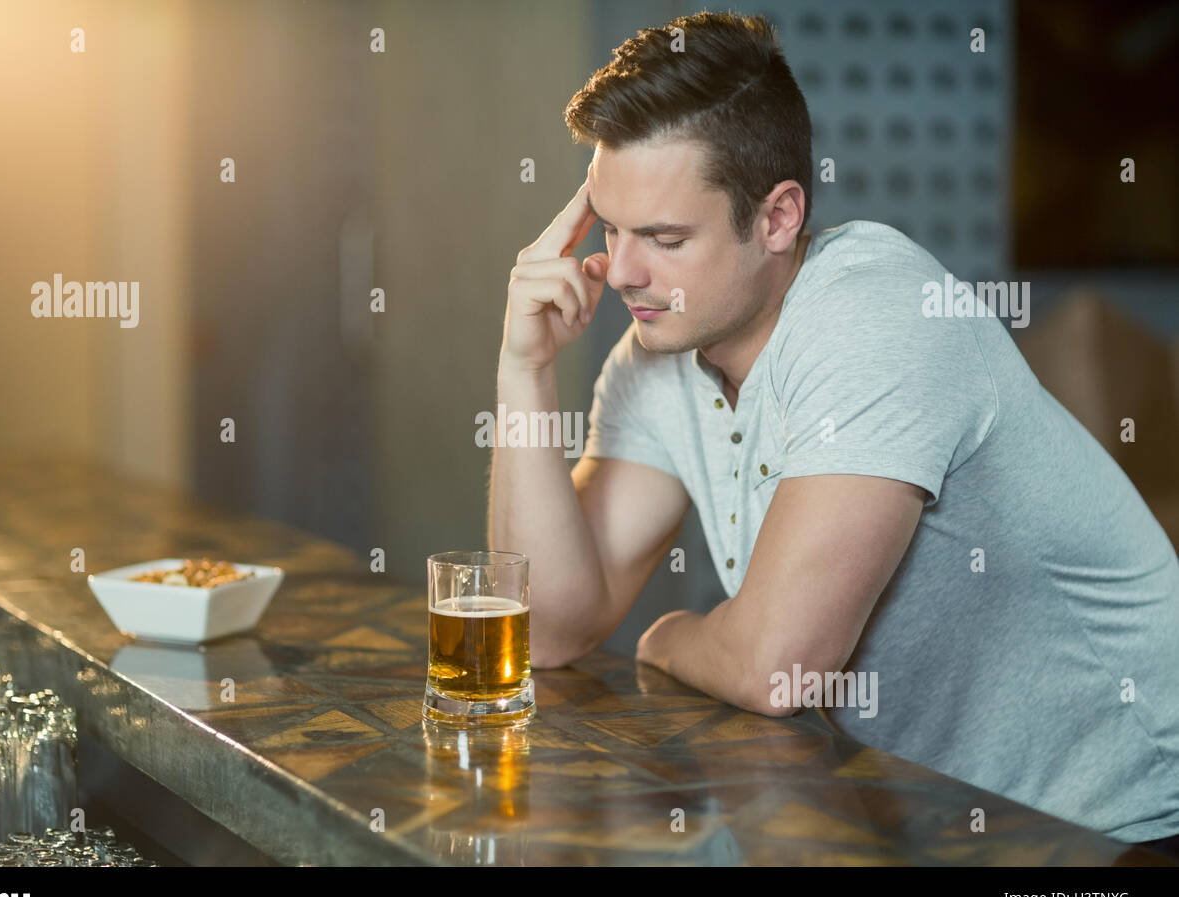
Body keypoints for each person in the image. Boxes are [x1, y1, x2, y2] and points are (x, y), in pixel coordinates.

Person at [486, 11, 1179, 850]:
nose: (624, 271)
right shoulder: (659, 351)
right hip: (941, 830)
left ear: (778, 217)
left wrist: (668, 640)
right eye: (613, 228)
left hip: (1126, 833)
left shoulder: (876, 314)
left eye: (665, 238)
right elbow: (552, 629)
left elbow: (778, 669)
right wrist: (524, 371)